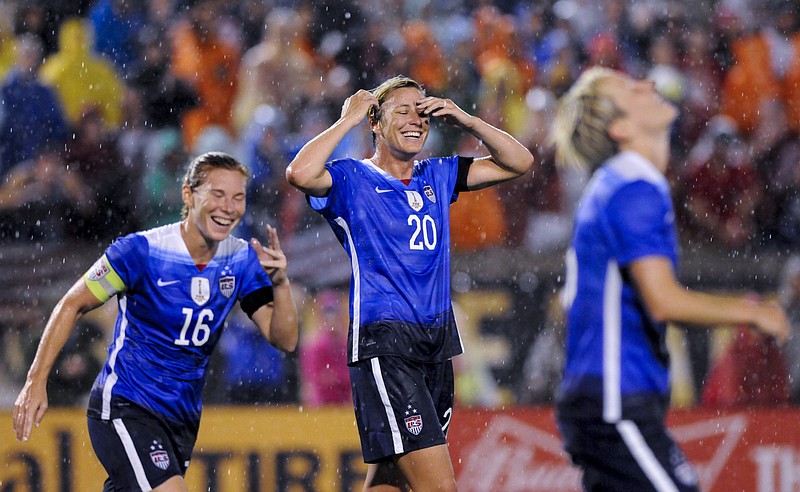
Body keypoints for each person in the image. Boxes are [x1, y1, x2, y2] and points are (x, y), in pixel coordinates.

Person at [285, 75, 533, 491]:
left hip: (437, 344)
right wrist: (347, 119)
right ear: (376, 124)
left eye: (422, 111)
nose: (416, 119)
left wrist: (467, 120)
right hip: (386, 345)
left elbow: (519, 162)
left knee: (391, 479)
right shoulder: (351, 179)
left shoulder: (437, 174)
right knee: (438, 485)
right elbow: (299, 172)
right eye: (402, 110)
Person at [550, 66, 790, 492]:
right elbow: (663, 299)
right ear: (621, 127)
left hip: (607, 397)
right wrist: (751, 312)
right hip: (613, 400)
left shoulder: (621, 183)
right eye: (630, 89)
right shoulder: (633, 186)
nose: (646, 84)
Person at [13, 151, 299, 492]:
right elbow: (72, 304)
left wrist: (280, 284)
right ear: (188, 195)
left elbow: (284, 339)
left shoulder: (240, 259)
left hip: (181, 419)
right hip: (126, 405)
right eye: (217, 194)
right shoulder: (142, 251)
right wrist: (36, 379)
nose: (229, 207)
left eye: (238, 197)